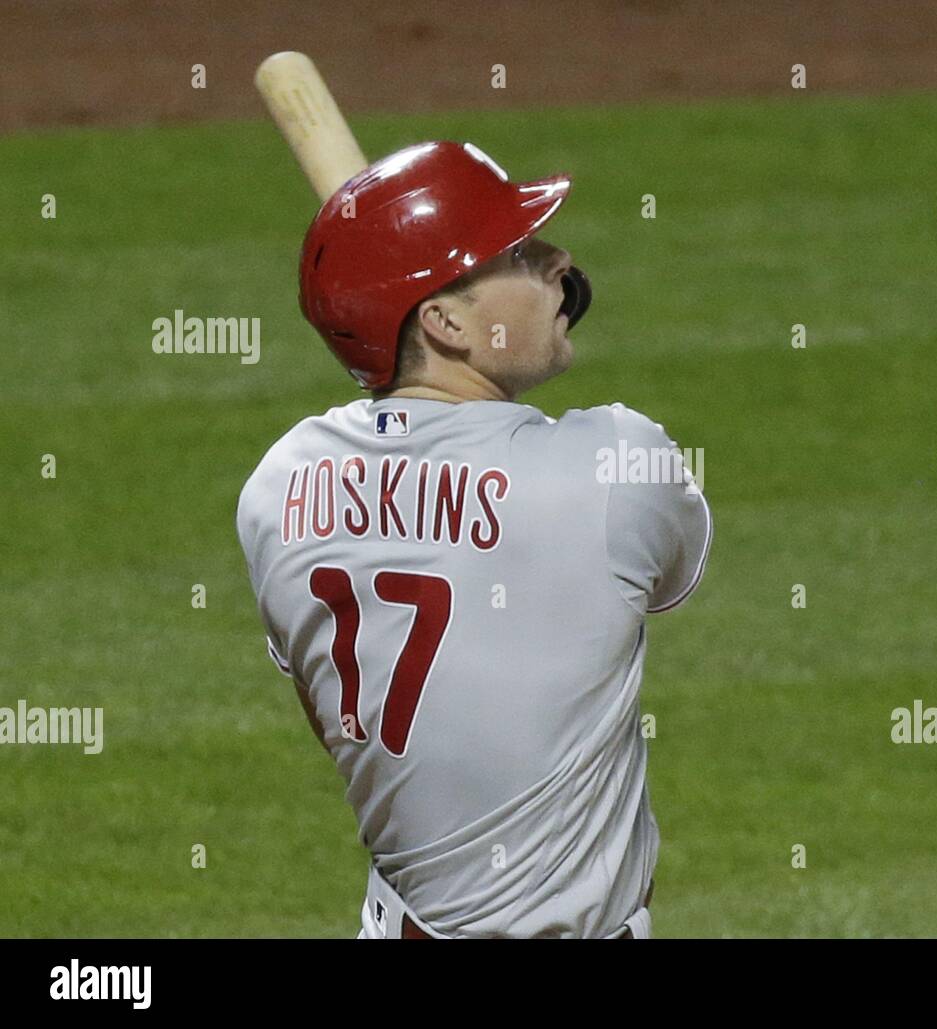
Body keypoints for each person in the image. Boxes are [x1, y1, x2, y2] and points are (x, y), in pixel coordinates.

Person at [235, 140, 712, 938]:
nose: (559, 261)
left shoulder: (279, 487)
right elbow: (653, 573)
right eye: (519, 254)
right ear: (446, 320)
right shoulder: (619, 465)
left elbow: (335, 709)